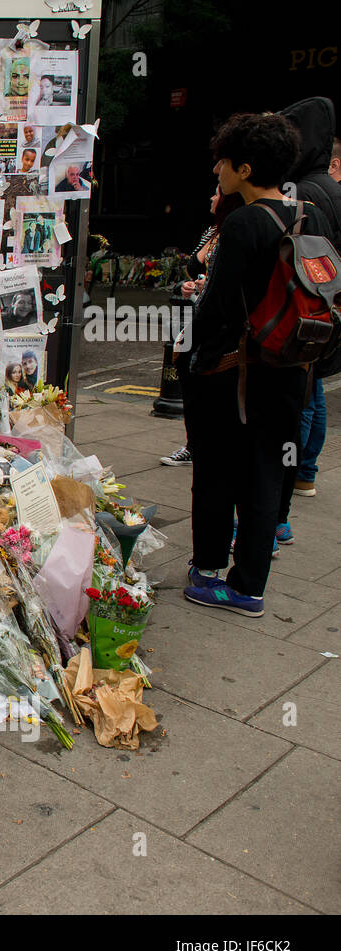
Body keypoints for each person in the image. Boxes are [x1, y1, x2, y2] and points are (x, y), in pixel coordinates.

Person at [182, 111, 321, 617]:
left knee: (217, 468)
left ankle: (209, 568)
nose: (216, 169)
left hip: (236, 374)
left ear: (243, 167)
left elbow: (219, 305)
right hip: (290, 366)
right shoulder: (306, 214)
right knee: (268, 474)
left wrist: (196, 361)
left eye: (223, 160)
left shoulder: (243, 223)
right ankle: (250, 587)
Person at [275, 99, 341, 525]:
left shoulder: (306, 192)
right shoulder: (331, 189)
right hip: (327, 306)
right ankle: (305, 472)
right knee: (312, 391)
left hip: (307, 309)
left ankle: (298, 474)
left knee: (303, 398)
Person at [161, 184, 243, 467]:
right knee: (186, 374)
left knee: (208, 382)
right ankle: (192, 443)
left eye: (217, 193)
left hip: (217, 321)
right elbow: (192, 269)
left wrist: (210, 284)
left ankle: (207, 445)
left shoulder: (235, 231)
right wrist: (188, 286)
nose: (211, 196)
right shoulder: (212, 232)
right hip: (196, 312)